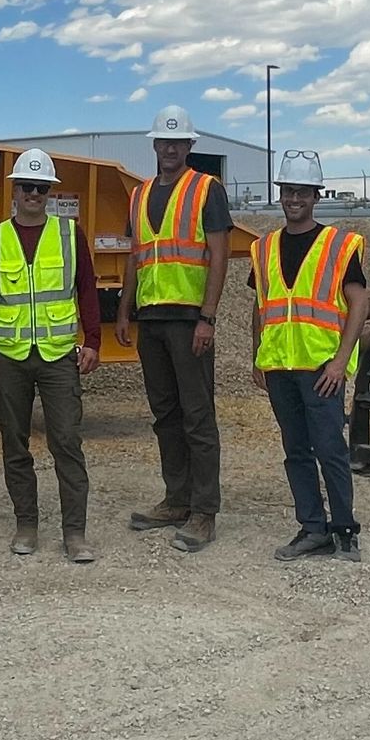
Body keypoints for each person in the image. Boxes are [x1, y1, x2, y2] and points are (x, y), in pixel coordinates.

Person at [0, 149, 100, 563]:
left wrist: (93, 340)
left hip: (59, 354)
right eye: (27, 186)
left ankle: (74, 534)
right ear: (15, 189)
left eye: (41, 188)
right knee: (15, 443)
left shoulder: (68, 234)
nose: (33, 194)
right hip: (9, 356)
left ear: (50, 192)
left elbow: (88, 289)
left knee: (66, 443)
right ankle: (27, 525)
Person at [113, 105, 232, 553]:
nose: (168, 148)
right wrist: (124, 310)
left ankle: (205, 511)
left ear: (189, 146)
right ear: (155, 145)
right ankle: (176, 499)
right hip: (152, 319)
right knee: (166, 414)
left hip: (189, 319)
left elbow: (218, 255)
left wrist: (208, 317)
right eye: (163, 142)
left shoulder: (206, 189)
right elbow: (134, 257)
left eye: (176, 142)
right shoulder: (140, 194)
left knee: (198, 415)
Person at [250, 150, 367, 563]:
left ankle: (345, 530)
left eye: (301, 191)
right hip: (280, 368)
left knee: (329, 449)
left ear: (316, 196)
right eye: (287, 191)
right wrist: (256, 357)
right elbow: (260, 306)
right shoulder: (263, 248)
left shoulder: (338, 245)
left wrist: (340, 361)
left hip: (321, 370)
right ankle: (312, 529)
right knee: (296, 451)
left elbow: (359, 303)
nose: (293, 199)